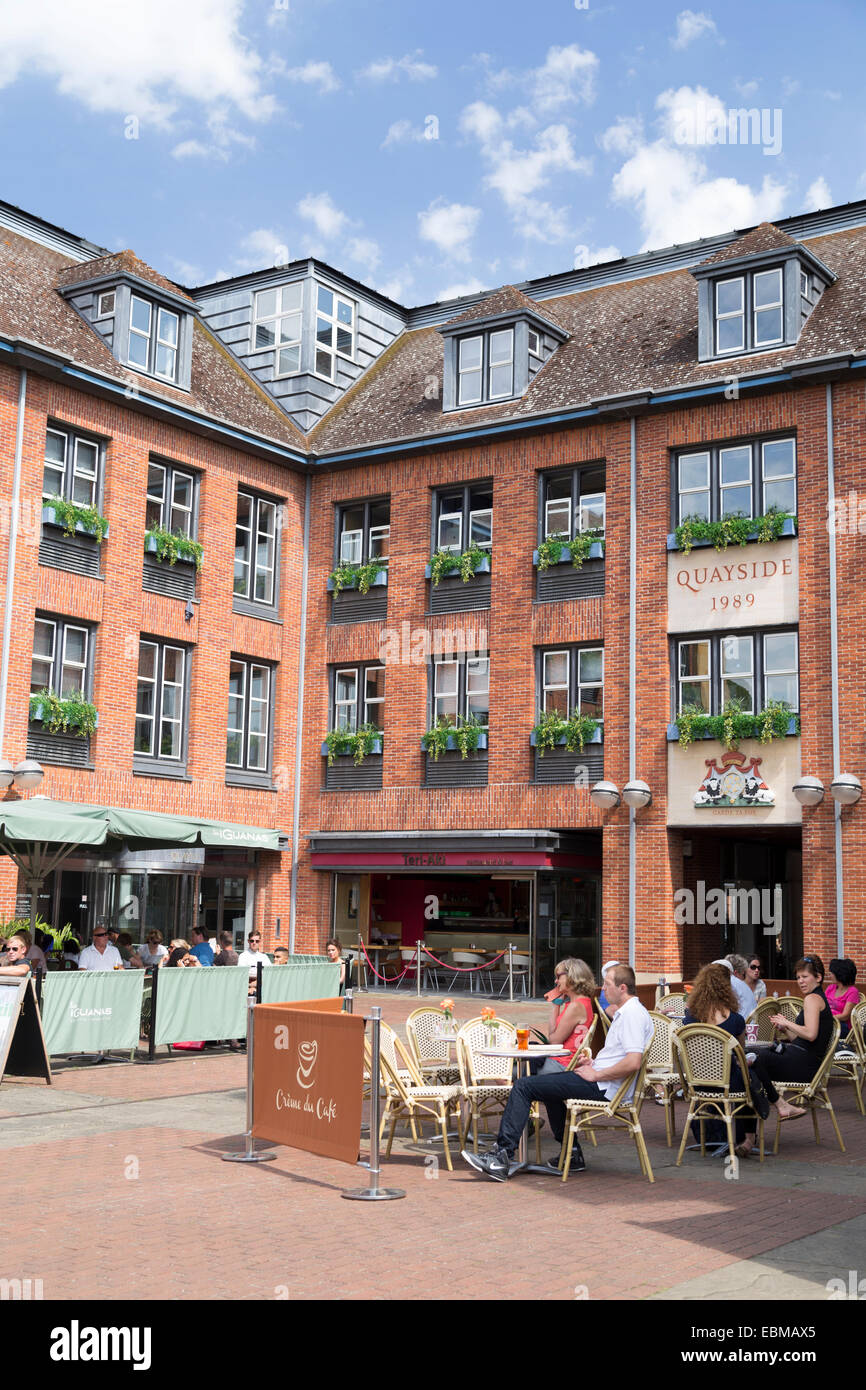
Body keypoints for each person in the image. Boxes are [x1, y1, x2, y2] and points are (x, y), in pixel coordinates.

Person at [461, 964, 653, 1181]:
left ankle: (501, 1157)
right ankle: (572, 1154)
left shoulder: (632, 1015)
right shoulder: (628, 1012)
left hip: (605, 1087)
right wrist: (593, 1063)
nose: (603, 989)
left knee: (523, 1086)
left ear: (622, 988)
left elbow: (633, 1062)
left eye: (608, 984)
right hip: (602, 1082)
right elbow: (621, 1056)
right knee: (548, 1089)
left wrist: (597, 1074)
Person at [737, 954, 834, 1157]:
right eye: (798, 977)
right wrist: (786, 1030)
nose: (800, 981)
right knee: (751, 1064)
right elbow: (803, 1039)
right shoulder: (816, 998)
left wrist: (787, 1022)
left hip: (805, 1065)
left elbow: (811, 1033)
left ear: (818, 978)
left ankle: (753, 1133)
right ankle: (777, 1108)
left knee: (752, 1061)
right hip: (803, 1060)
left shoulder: (812, 999)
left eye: (805, 977)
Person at [540, 958, 597, 1071]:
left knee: (512, 1070)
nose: (556, 981)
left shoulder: (575, 1007)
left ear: (571, 976)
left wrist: (556, 1005)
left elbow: (554, 1042)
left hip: (560, 1064)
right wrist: (556, 1004)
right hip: (560, 1061)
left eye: (558, 976)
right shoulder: (580, 1003)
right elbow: (552, 1035)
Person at [826, 959, 858, 1039]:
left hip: (842, 1026)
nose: (830, 975)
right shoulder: (830, 988)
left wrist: (827, 1019)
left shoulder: (852, 991)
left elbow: (845, 1016)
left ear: (839, 974)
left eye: (832, 973)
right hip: (827, 1022)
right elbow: (822, 1004)